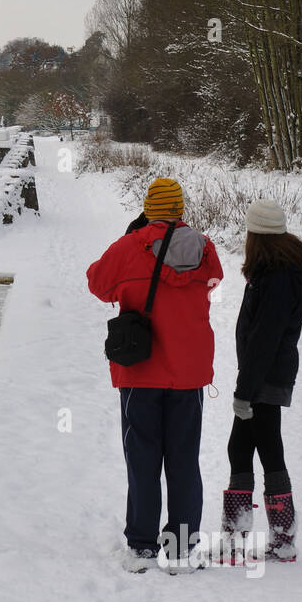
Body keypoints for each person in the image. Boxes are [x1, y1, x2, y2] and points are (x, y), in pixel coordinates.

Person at [87, 177, 224, 573]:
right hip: (188, 372)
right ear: (180, 209)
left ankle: (142, 547)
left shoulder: (129, 246)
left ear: (148, 208)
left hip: (140, 371)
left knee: (142, 458)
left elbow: (98, 284)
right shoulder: (204, 248)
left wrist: (134, 242)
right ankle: (181, 548)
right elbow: (214, 280)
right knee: (184, 459)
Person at [223, 200, 302, 563]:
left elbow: (265, 338)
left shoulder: (277, 277)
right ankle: (254, 538)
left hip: (265, 376)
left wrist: (245, 391)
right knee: (245, 447)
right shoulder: (275, 268)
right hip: (263, 373)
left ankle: (271, 539)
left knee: (263, 447)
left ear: (256, 235)